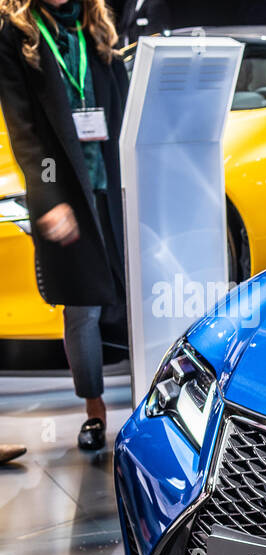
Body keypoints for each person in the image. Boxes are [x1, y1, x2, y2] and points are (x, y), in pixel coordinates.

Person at [0, 0, 127, 452]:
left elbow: (125, 108)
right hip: (65, 190)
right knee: (83, 307)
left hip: (115, 187)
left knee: (132, 297)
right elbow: (26, 135)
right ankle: (94, 410)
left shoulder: (98, 31)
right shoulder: (18, 34)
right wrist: (50, 197)